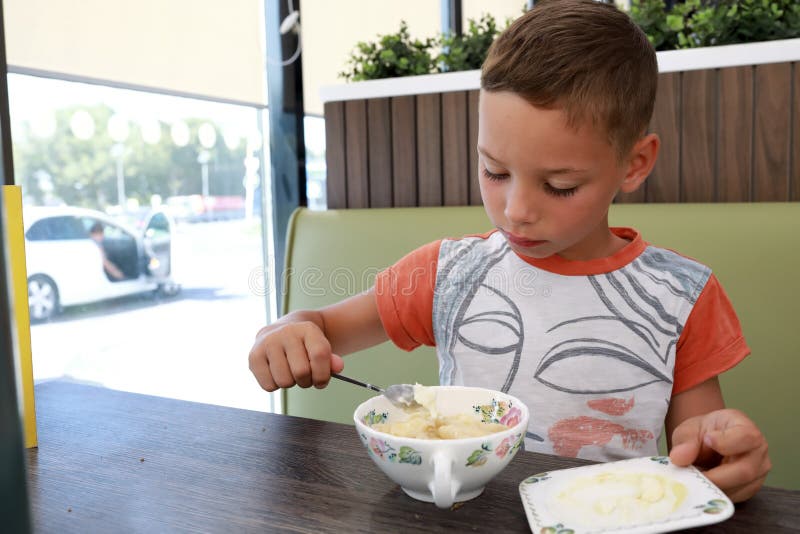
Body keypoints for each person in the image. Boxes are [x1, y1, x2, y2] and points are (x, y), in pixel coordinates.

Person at [248, 0, 770, 502]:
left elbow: (695, 449)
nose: (516, 210)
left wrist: (721, 455)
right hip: (460, 511)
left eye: (560, 185)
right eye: (494, 171)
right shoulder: (451, 273)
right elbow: (317, 323)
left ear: (634, 164)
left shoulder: (681, 294)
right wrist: (285, 334)